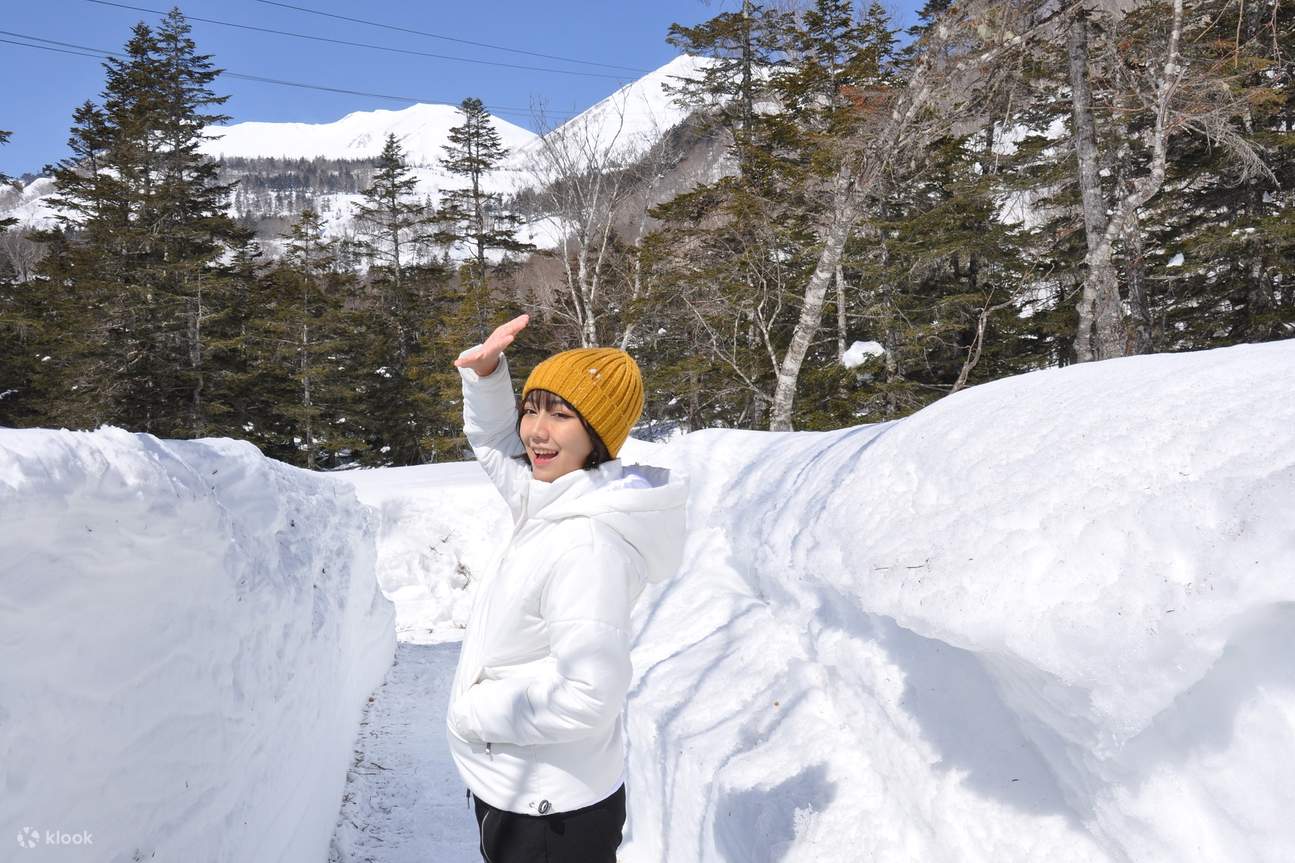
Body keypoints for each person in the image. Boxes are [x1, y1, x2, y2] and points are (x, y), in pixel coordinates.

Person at [446, 313, 688, 863]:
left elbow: (587, 696)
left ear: (598, 434)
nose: (535, 431)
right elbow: (492, 442)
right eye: (532, 409)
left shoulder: (587, 545)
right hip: (528, 784)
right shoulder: (552, 496)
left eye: (560, 414)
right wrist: (486, 378)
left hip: (545, 813)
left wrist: (471, 713)